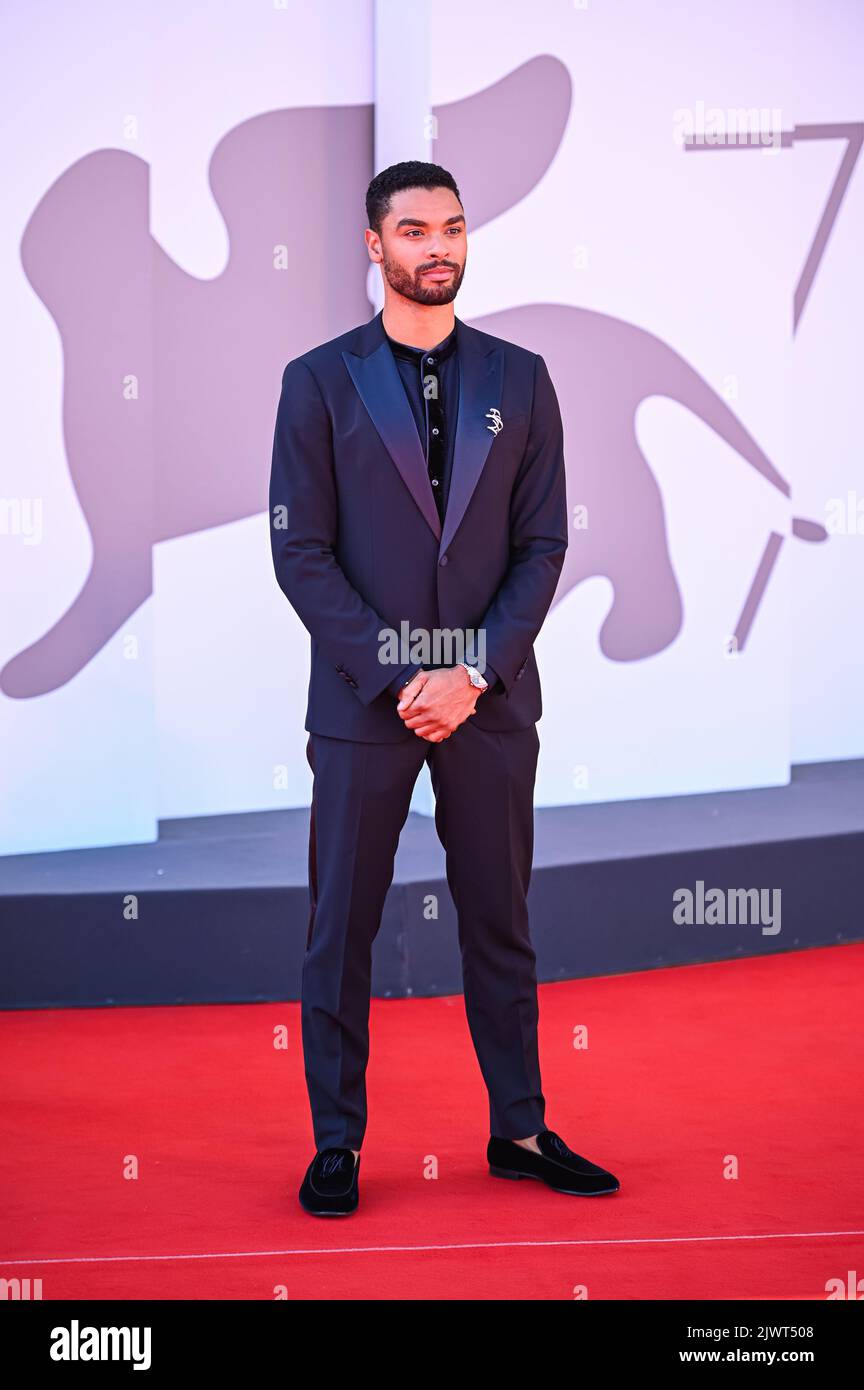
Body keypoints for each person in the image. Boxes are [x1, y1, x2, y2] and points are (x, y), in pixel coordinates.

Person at [269, 160, 619, 1215]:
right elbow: (302, 553)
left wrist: (468, 671)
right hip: (366, 706)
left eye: (454, 227)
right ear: (373, 246)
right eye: (414, 229)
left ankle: (519, 1128)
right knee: (343, 927)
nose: (439, 246)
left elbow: (544, 543)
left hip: (491, 700)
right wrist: (399, 673)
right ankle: (337, 1142)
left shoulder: (524, 377)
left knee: (500, 918)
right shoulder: (318, 381)